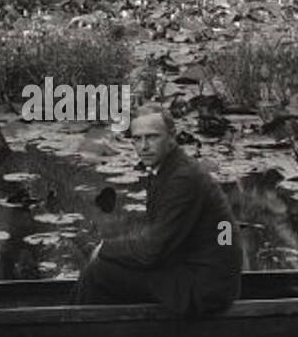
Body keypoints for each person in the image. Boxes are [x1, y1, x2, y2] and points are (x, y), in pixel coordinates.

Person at [75, 106, 242, 316]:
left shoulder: (183, 177)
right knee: (107, 264)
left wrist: (104, 248)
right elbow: (158, 239)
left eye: (152, 137)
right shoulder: (166, 168)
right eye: (137, 139)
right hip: (189, 268)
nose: (143, 146)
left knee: (100, 271)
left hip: (206, 288)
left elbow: (152, 251)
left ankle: (77, 336)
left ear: (172, 137)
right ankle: (94, 329)